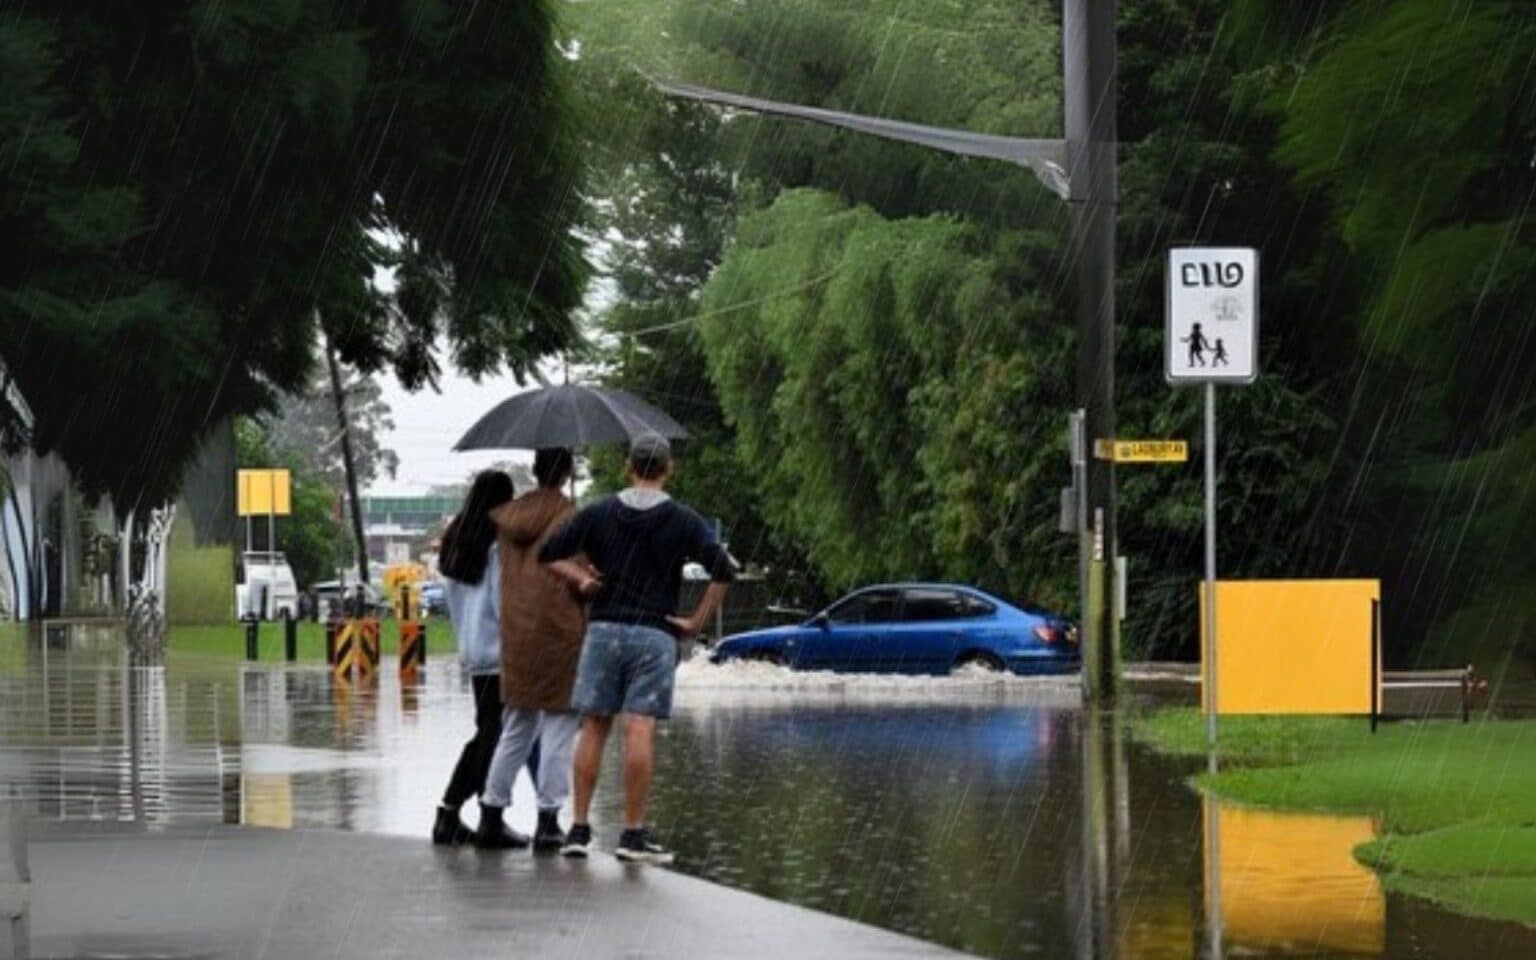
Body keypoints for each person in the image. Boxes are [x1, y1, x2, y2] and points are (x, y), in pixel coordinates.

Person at [540, 432, 734, 864]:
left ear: (629, 466)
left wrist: (582, 580)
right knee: (640, 729)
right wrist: (696, 621)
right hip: (654, 633)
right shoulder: (684, 520)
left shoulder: (599, 512)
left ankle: (578, 828)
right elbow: (723, 571)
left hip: (604, 629)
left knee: (593, 727)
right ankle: (632, 835)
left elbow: (550, 554)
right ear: (668, 469)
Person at [475, 448, 589, 852]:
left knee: (517, 726)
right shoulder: (569, 515)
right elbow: (578, 576)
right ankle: (548, 820)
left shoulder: (508, 519)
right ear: (568, 471)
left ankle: (491, 812)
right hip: (560, 631)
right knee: (559, 727)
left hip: (518, 633)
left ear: (537, 470)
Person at [431, 470, 528, 847]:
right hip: (499, 653)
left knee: (488, 733)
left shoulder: (455, 546)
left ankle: (452, 813)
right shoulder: (494, 549)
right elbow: (502, 604)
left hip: (473, 652)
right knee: (494, 737)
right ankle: (463, 812)